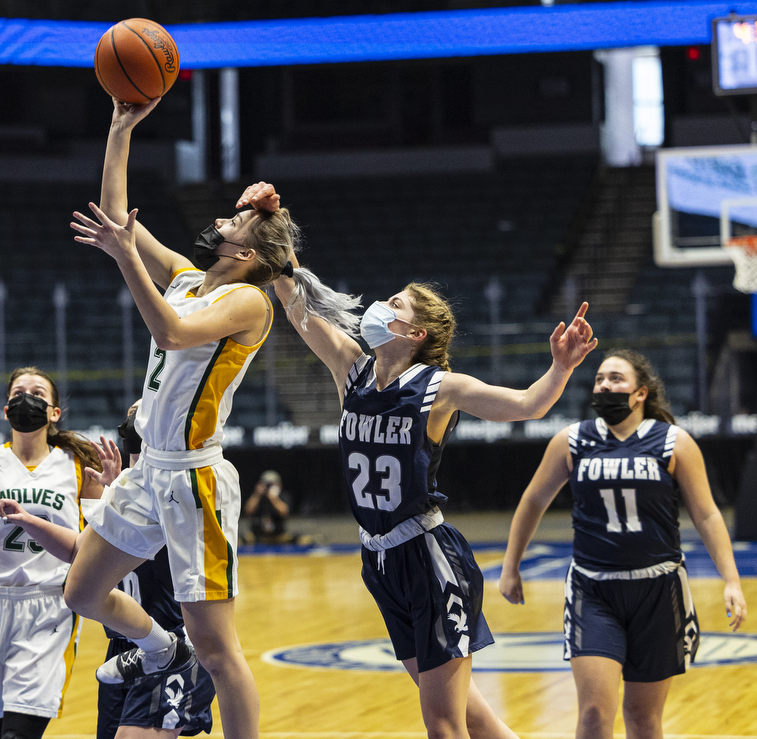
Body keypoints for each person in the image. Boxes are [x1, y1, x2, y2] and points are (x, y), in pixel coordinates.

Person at [256, 178, 598, 739]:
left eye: (395, 303)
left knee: (441, 723)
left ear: (413, 332)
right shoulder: (353, 369)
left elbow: (526, 406)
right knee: (468, 715)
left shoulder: (440, 387)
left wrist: (560, 368)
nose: (378, 305)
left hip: (428, 557)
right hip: (379, 560)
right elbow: (294, 300)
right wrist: (275, 221)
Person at [63, 98, 350, 739]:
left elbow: (168, 334)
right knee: (81, 593)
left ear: (248, 252)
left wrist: (123, 256)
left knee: (219, 650)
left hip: (195, 481)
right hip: (149, 473)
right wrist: (119, 128)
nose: (228, 217)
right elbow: (117, 219)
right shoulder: (190, 277)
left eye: (239, 218)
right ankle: (161, 649)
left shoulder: (248, 302)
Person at [499, 349, 748, 739]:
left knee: (643, 718)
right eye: (599, 379)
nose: (605, 386)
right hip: (593, 590)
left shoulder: (674, 442)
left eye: (615, 378)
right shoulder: (572, 440)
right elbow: (533, 500)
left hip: (658, 589)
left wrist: (731, 580)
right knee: (595, 714)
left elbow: (707, 515)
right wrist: (511, 564)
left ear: (641, 393)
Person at [0, 403, 216, 739]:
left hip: (175, 640)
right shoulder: (127, 492)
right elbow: (75, 550)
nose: (134, 411)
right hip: (126, 649)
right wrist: (27, 520)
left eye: (144, 407)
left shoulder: (175, 489)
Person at [0, 367, 105, 739]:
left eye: (37, 391)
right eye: (18, 391)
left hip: (48, 605)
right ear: (5, 409)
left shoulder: (78, 466)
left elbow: (104, 538)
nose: (26, 397)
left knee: (19, 734)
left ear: (54, 413)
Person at [241, 470, 302, 545]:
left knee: (303, 539)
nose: (268, 487)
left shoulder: (283, 496)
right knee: (238, 540)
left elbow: (284, 512)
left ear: (279, 485)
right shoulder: (257, 498)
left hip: (279, 536)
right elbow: (248, 511)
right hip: (257, 536)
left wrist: (273, 497)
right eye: (266, 484)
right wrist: (257, 495)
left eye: (271, 484)